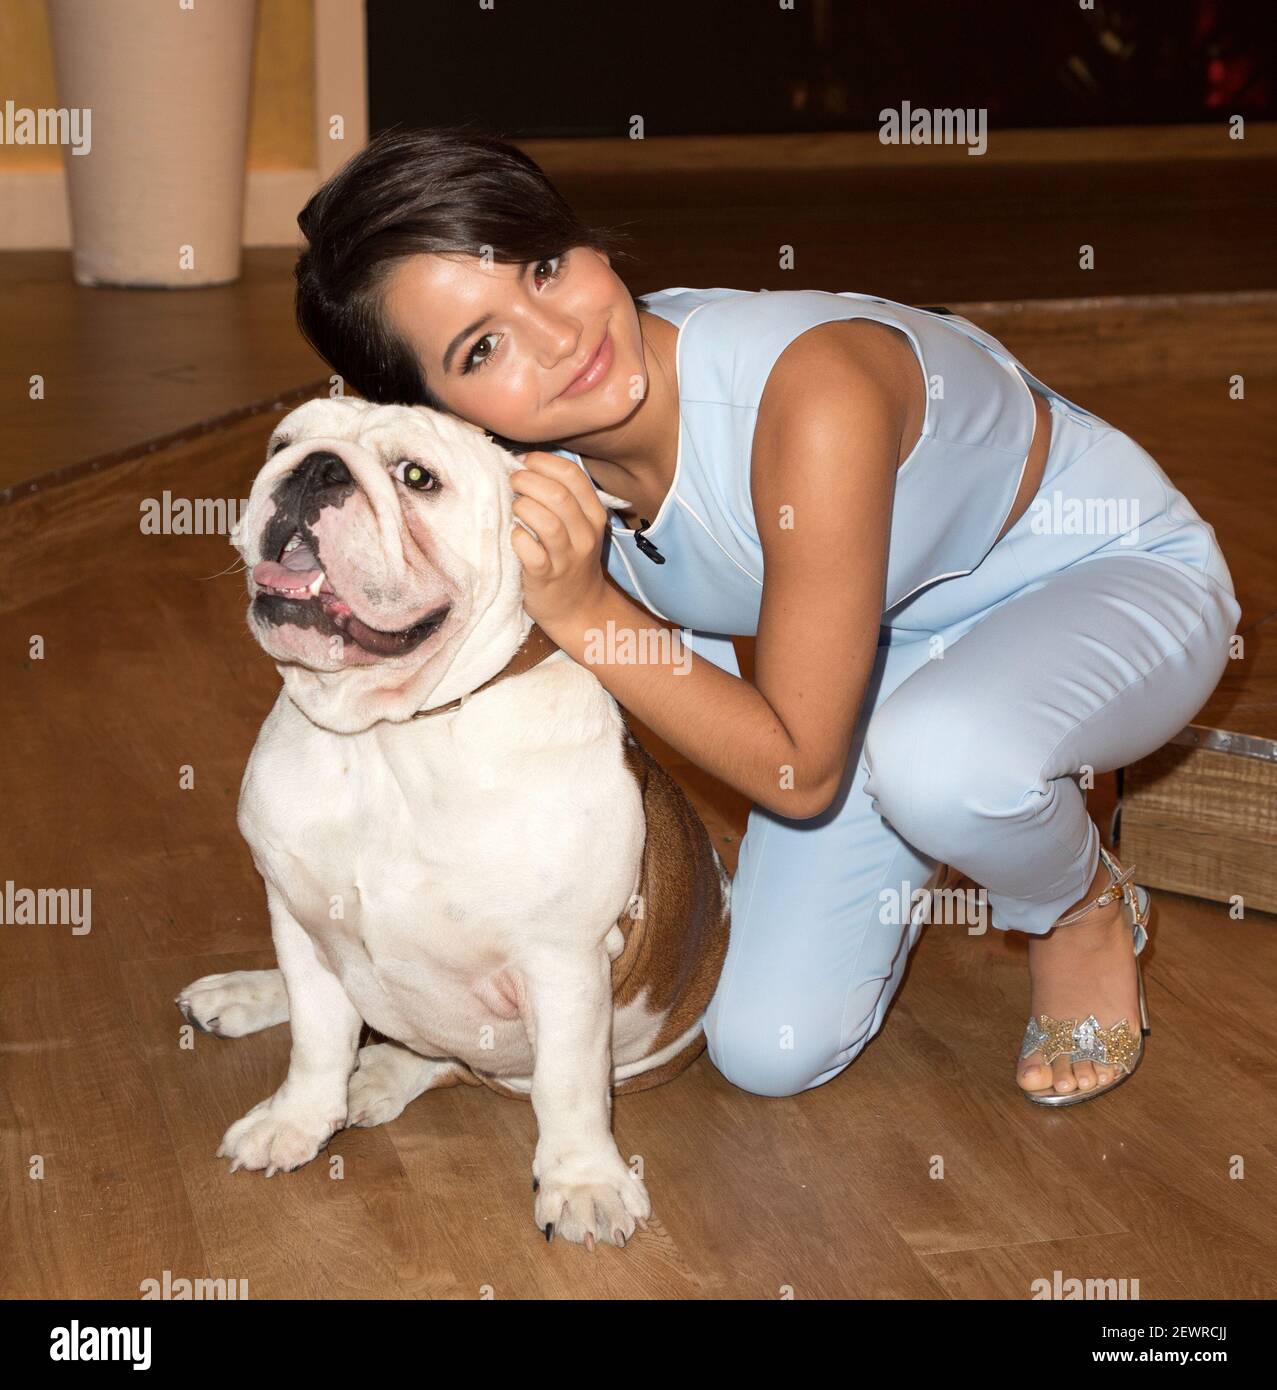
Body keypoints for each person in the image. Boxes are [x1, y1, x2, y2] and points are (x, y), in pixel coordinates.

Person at [292, 125, 1241, 1106]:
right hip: (877, 659)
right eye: (481, 346)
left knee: (944, 764)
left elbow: (794, 771)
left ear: (586, 242)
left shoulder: (810, 392)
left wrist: (584, 611)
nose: (558, 337)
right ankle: (982, 786)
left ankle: (1075, 906)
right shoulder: (522, 474)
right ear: (437, 412)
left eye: (542, 266)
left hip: (1104, 579)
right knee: (765, 1046)